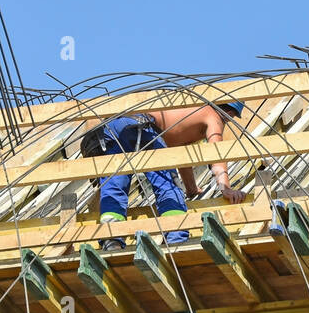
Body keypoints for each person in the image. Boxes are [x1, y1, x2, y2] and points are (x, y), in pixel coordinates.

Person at [80, 101, 247, 250]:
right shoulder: (213, 115)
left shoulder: (189, 114)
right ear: (229, 112)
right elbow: (216, 154)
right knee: (168, 185)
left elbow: (181, 156)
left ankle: (112, 239)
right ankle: (176, 238)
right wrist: (226, 188)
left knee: (114, 184)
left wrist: (191, 188)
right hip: (142, 127)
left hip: (113, 128)